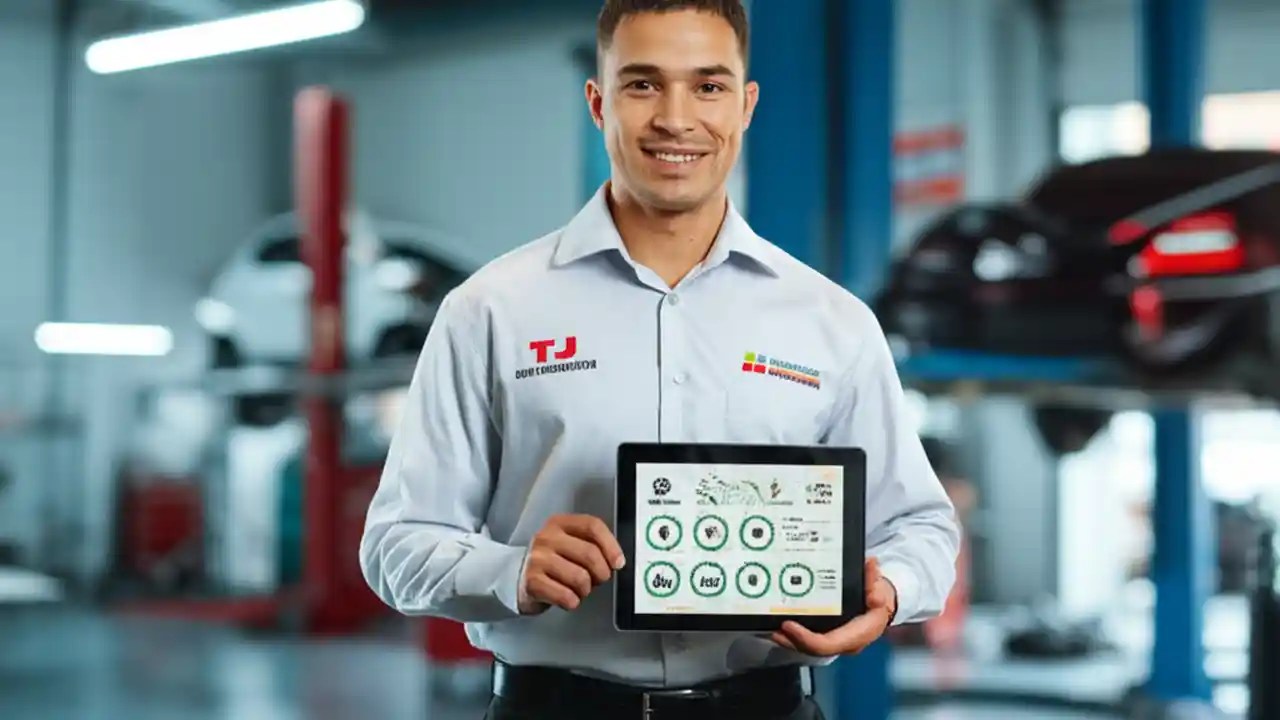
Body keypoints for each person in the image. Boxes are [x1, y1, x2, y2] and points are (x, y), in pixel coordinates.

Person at [360, 1, 961, 717]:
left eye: (707, 87)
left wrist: (886, 589)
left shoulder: (831, 323)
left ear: (745, 105)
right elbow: (396, 544)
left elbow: (920, 526)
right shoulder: (491, 310)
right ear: (598, 101)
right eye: (643, 84)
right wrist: (510, 570)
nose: (677, 119)